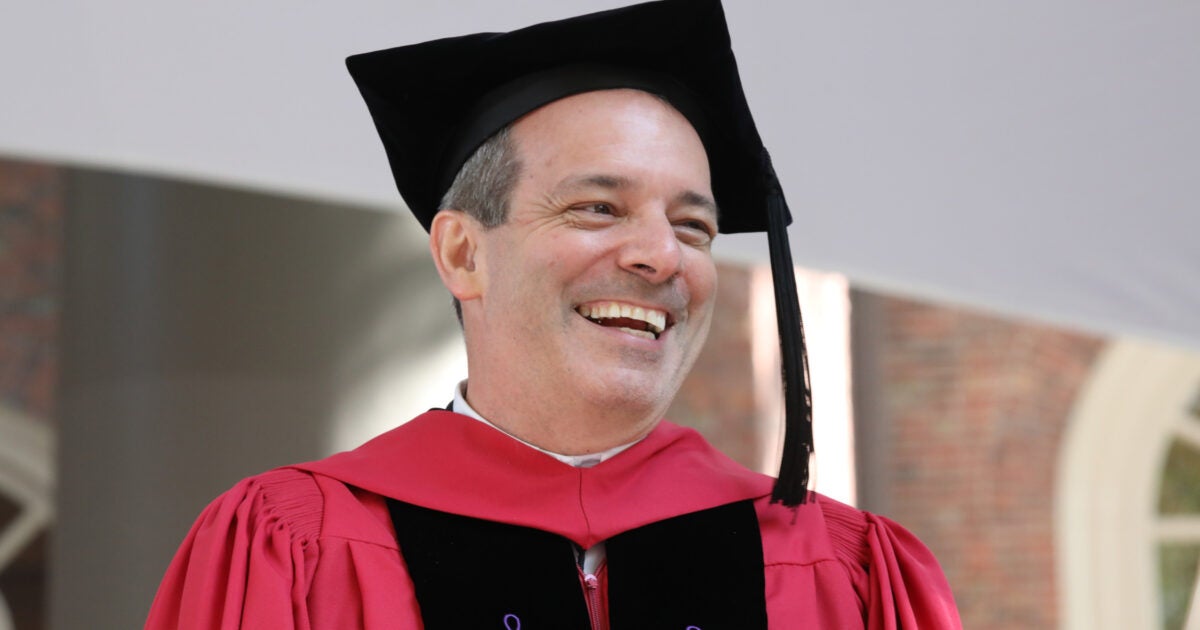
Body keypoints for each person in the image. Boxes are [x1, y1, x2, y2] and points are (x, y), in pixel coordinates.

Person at [147, 1, 962, 628]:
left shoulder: (845, 574)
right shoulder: (290, 550)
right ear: (465, 254)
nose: (661, 256)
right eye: (598, 207)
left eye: (693, 226)